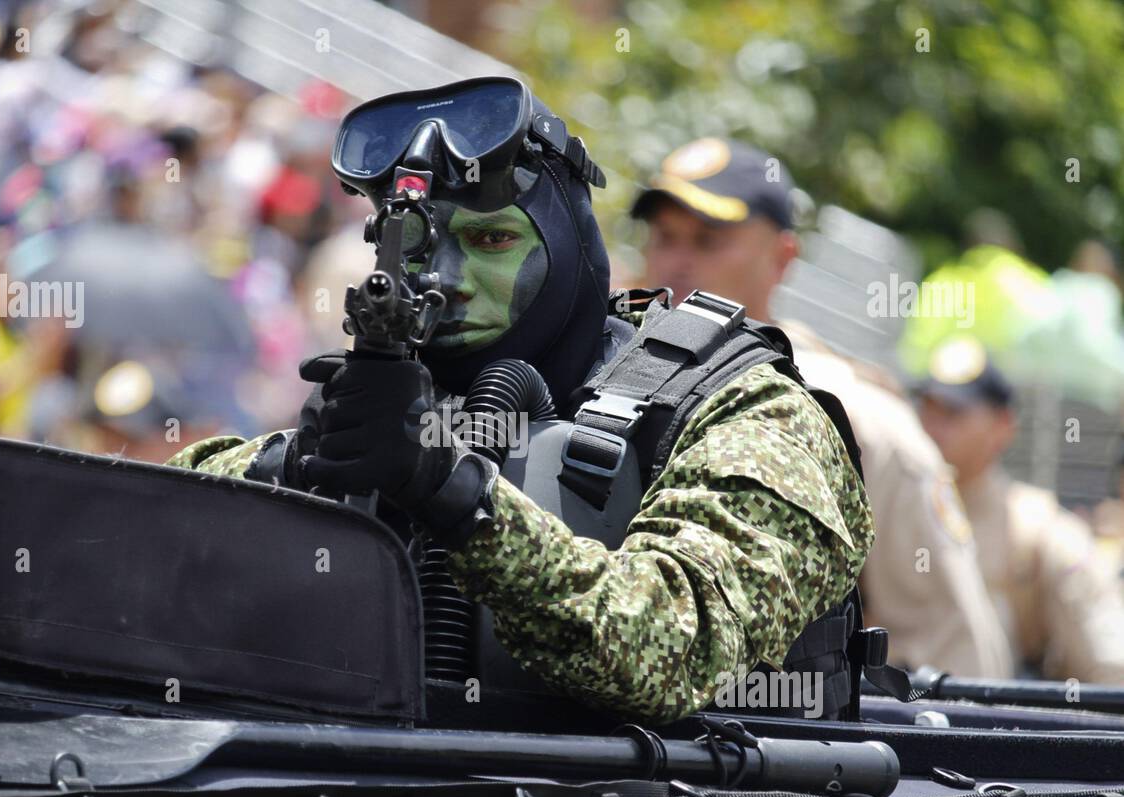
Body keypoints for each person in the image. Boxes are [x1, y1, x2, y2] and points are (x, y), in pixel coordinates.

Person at [167, 80, 877, 724]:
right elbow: (144, 534)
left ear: (568, 240)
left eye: (492, 238)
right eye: (419, 242)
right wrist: (292, 469)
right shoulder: (396, 396)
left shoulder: (745, 409)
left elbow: (670, 646)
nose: (448, 276)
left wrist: (449, 491)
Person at [633, 137, 1012, 679]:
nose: (678, 261)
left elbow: (948, 662)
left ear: (782, 258)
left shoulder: (856, 415)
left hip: (787, 745)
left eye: (708, 239)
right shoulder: (607, 380)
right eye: (664, 237)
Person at [916, 338, 1124, 684]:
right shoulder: (885, 507)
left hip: (988, 727)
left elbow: (1108, 663)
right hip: (880, 721)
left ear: (1003, 427)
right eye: (927, 408)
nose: (933, 426)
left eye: (953, 412)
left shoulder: (1039, 531)